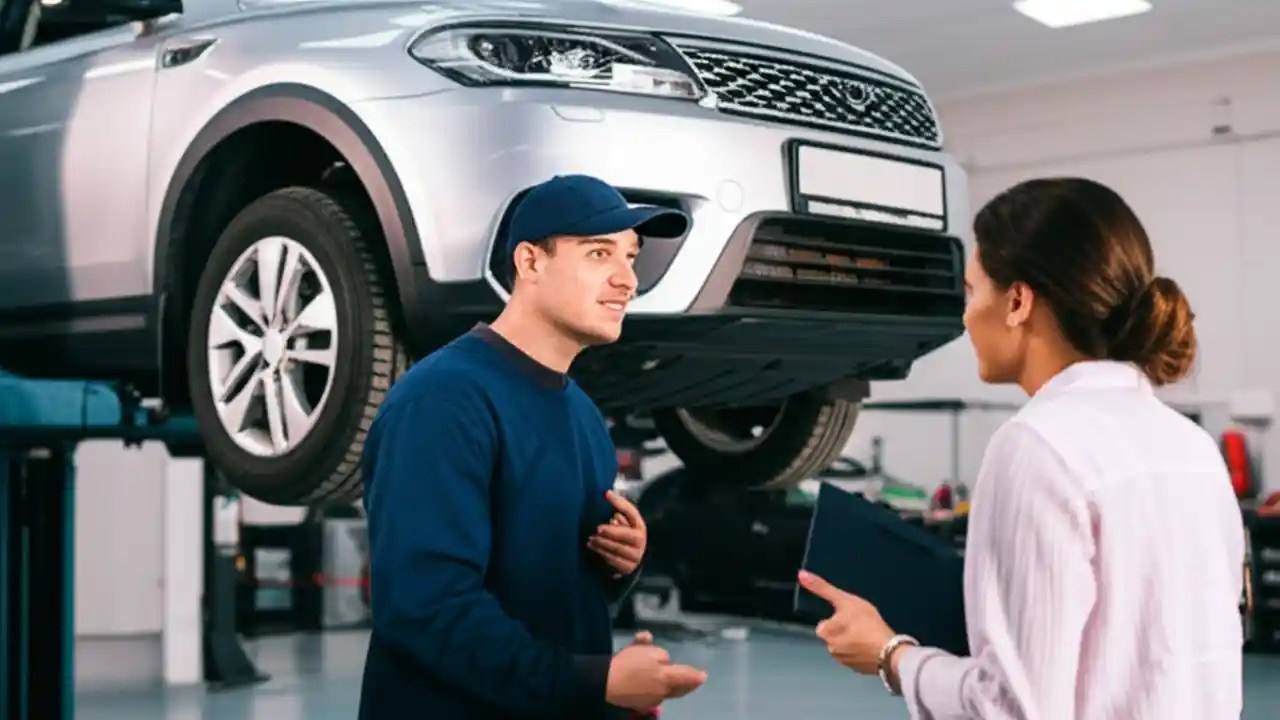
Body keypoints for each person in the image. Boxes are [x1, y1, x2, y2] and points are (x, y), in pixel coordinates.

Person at [798, 177, 1246, 719]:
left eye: (971, 292)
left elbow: (1012, 708)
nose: (965, 317)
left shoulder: (1038, 446)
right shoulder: (1192, 447)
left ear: (1016, 301)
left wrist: (892, 655)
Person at [357, 174, 708, 719]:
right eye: (599, 253)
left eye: (632, 257)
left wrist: (616, 569)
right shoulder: (444, 401)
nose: (627, 280)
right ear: (530, 262)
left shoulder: (584, 416)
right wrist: (595, 683)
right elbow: (426, 609)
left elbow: (547, 600)